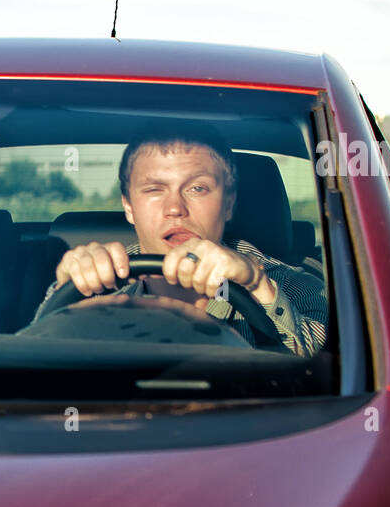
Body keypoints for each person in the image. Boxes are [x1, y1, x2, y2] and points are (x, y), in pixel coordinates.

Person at [34, 124, 327, 355]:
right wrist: (69, 292)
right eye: (154, 189)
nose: (175, 208)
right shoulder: (90, 287)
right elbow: (32, 374)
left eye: (197, 188)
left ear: (228, 205)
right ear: (128, 207)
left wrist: (256, 286)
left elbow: (329, 382)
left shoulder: (296, 288)